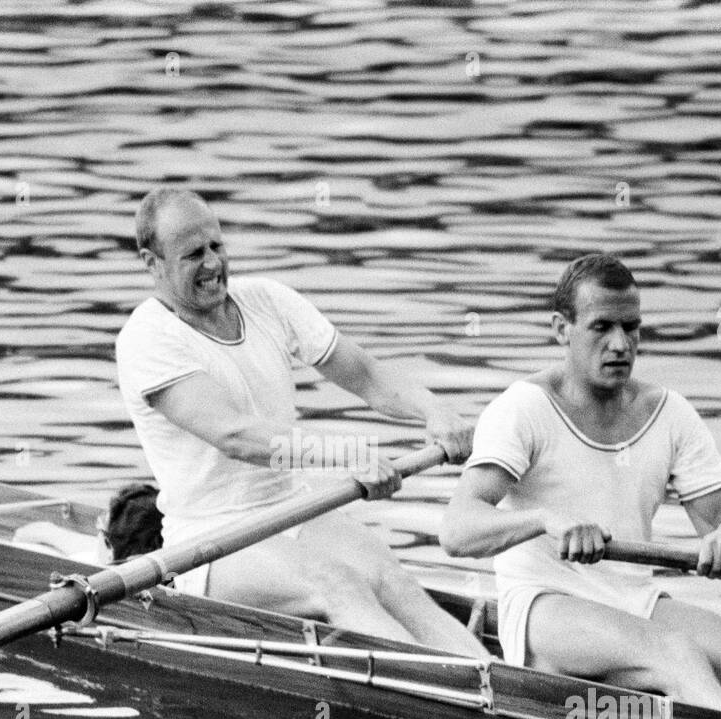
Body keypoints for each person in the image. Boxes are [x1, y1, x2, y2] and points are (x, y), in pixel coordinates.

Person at [440, 253, 721, 719]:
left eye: (631, 328)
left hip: (635, 600)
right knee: (675, 655)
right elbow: (457, 531)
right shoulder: (522, 409)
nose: (620, 345)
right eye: (602, 327)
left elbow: (719, 520)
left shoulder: (669, 412)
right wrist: (546, 521)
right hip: (545, 609)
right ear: (561, 329)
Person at [115, 187, 489, 659]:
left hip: (293, 507)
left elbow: (367, 376)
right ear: (153, 263)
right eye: (193, 255)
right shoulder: (146, 339)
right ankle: (449, 700)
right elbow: (236, 436)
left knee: (393, 579)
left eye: (217, 246)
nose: (212, 264)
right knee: (337, 584)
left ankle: (491, 680)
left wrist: (434, 411)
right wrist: (347, 455)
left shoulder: (266, 300)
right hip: (210, 541)